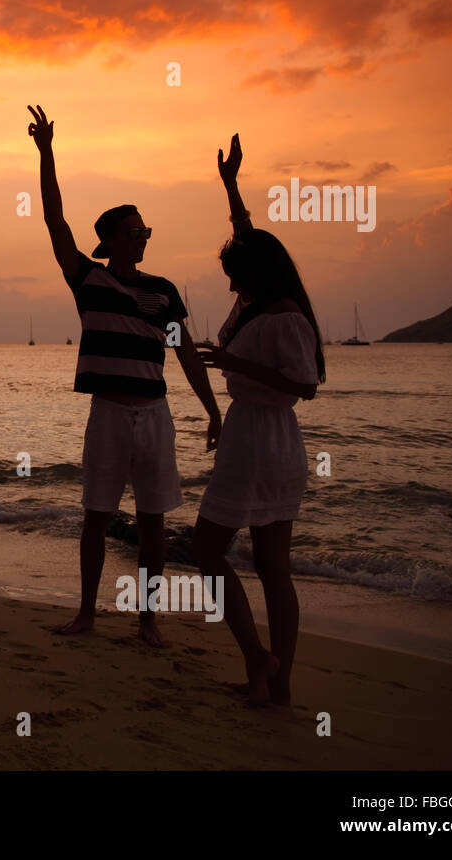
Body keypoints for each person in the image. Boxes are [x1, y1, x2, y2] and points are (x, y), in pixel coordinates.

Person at [26, 104, 223, 647]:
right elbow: (53, 221)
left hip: (153, 416)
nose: (143, 238)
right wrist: (46, 153)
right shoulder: (87, 279)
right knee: (96, 516)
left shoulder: (163, 291)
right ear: (110, 239)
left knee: (155, 520)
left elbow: (183, 355)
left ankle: (148, 621)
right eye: (134, 231)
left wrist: (212, 411)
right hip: (108, 414)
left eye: (146, 230)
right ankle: (87, 613)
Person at [192, 133, 325, 705]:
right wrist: (230, 184)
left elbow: (304, 385)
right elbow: (249, 236)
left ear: (255, 276)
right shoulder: (257, 299)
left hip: (258, 442)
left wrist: (232, 361)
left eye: (234, 275)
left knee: (207, 551)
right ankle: (277, 684)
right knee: (273, 567)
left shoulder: (284, 316)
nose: (229, 285)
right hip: (270, 445)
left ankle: (261, 660)